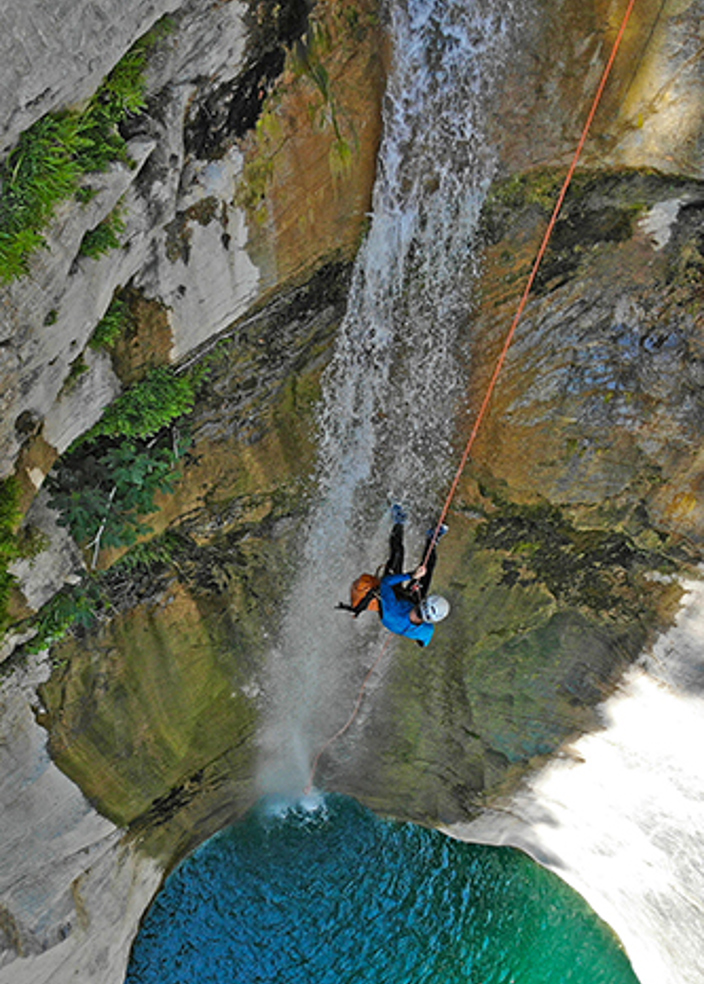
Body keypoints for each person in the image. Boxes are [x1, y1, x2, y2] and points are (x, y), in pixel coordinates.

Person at [337, 505, 450, 646]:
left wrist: (411, 576)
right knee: (428, 568)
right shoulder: (425, 631)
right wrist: (408, 631)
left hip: (394, 599)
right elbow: (422, 643)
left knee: (397, 555)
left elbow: (386, 582)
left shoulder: (393, 609)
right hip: (408, 602)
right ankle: (432, 538)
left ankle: (399, 521)